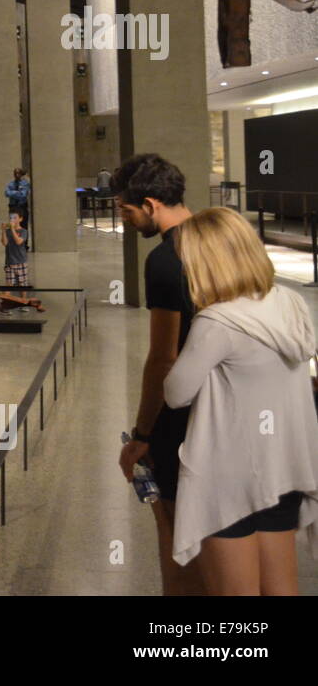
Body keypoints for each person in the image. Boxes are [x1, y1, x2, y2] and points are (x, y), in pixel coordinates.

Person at [164, 207, 318, 594]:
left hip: (228, 476)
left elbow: (176, 394)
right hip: (283, 467)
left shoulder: (217, 322)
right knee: (281, 589)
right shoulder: (290, 302)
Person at [113, 153, 205, 595]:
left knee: (172, 526)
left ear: (150, 205)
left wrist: (142, 433)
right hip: (232, 405)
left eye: (127, 211)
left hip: (181, 414)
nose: (127, 220)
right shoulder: (223, 241)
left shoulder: (166, 259)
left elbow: (163, 358)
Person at [2, 211, 28, 287]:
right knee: (9, 284)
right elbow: (5, 243)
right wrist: (3, 231)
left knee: (22, 284)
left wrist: (13, 229)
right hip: (10, 262)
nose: (12, 220)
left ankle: (23, 298)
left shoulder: (24, 231)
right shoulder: (7, 231)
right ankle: (7, 298)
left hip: (21, 262)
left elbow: (18, 242)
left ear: (20, 219)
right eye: (10, 218)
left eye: (14, 218)